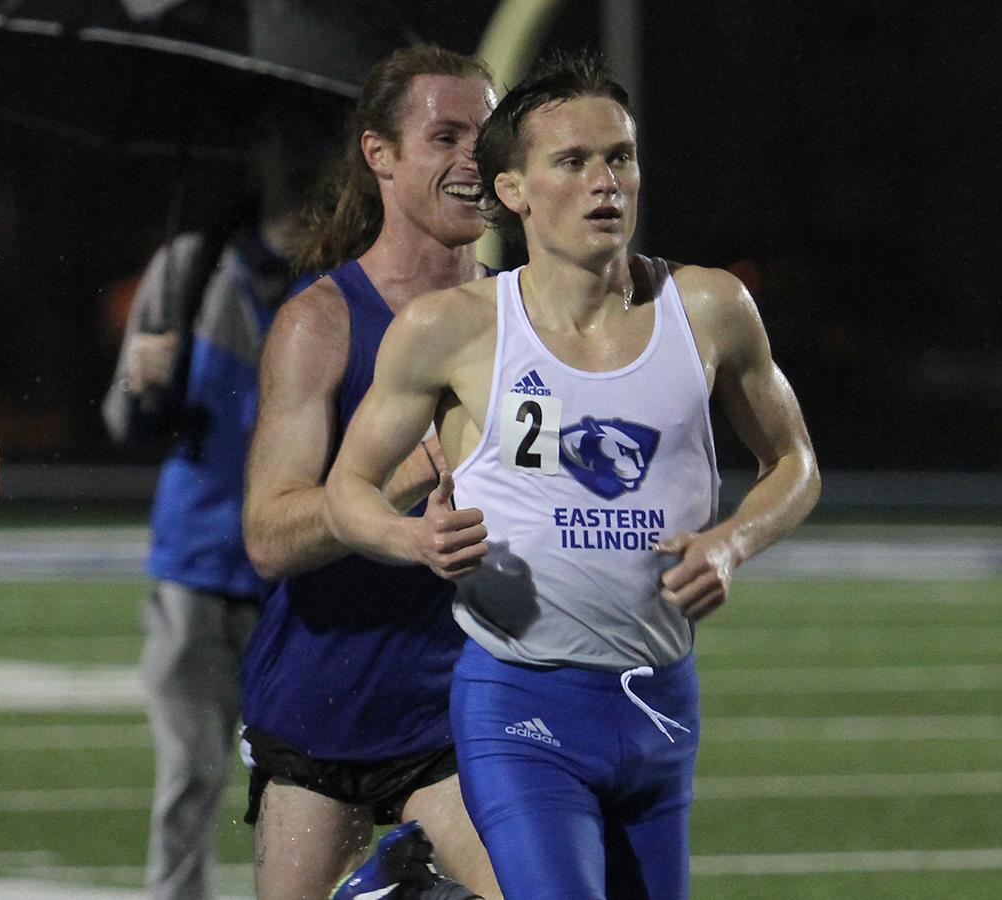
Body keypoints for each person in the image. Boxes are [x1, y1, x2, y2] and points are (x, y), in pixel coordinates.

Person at [323, 53, 820, 899]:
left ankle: (416, 894)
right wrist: (413, 536)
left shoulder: (709, 309)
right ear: (511, 190)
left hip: (660, 700)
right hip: (519, 697)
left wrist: (733, 544)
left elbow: (795, 465)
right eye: (573, 162)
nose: (606, 182)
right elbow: (346, 492)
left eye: (619, 157)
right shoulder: (453, 327)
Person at [238, 46, 501, 900]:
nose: (475, 160)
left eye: (490, 137)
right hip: (326, 706)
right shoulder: (323, 322)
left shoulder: (529, 316)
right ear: (378, 153)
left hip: (463, 709)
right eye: (447, 136)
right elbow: (270, 537)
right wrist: (405, 479)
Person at [102, 111, 330, 900]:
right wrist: (142, 380)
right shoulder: (191, 267)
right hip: (196, 566)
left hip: (303, 574)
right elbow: (125, 424)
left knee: (315, 793)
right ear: (258, 150)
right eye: (285, 137)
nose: (299, 155)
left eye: (316, 139)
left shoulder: (348, 281)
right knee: (191, 779)